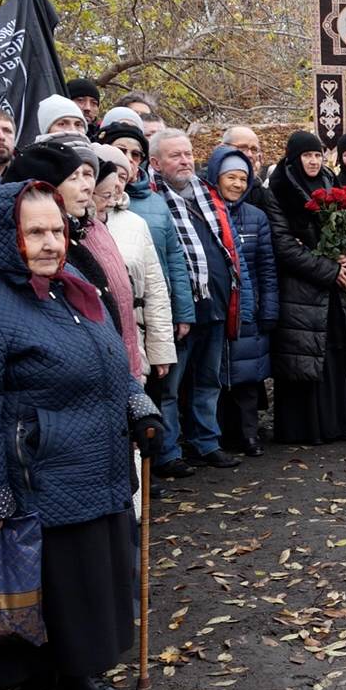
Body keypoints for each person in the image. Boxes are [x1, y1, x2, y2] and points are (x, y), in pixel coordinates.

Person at [0, 182, 161, 690]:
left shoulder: (70, 290)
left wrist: (141, 409)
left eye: (56, 229)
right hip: (36, 478)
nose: (50, 242)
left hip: (96, 465)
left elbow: (111, 365)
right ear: (0, 235)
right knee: (46, 594)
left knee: (90, 584)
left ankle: (80, 679)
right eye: (34, 231)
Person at [6, 140, 144, 379]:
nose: (87, 187)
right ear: (45, 188)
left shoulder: (84, 233)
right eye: (74, 177)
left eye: (87, 175)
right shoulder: (43, 257)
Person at [150, 128, 245, 473]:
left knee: (208, 381)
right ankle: (170, 452)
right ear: (155, 163)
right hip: (179, 310)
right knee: (171, 389)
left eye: (188, 153)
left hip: (216, 305)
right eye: (175, 155)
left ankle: (207, 442)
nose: (185, 160)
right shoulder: (151, 198)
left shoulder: (207, 194)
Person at [263, 131, 346, 445]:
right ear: (294, 157)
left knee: (330, 352)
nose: (313, 161)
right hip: (299, 289)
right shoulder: (279, 189)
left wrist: (345, 255)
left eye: (317, 155)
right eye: (306, 156)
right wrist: (329, 270)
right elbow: (284, 246)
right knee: (303, 356)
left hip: (329, 288)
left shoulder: (330, 181)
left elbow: (344, 228)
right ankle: (304, 429)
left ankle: (333, 424)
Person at [206, 146, 278, 455]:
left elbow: (267, 267)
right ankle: (219, 435)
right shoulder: (203, 211)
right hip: (219, 307)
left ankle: (249, 434)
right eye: (230, 177)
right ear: (216, 178)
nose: (236, 184)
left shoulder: (256, 216)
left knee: (248, 377)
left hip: (250, 308)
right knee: (217, 376)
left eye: (242, 178)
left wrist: (270, 308)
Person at [91, 141, 176, 386]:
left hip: (133, 340)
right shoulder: (74, 226)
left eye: (123, 177)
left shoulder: (135, 223)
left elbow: (155, 288)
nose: (116, 183)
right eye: (111, 175)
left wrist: (161, 350)